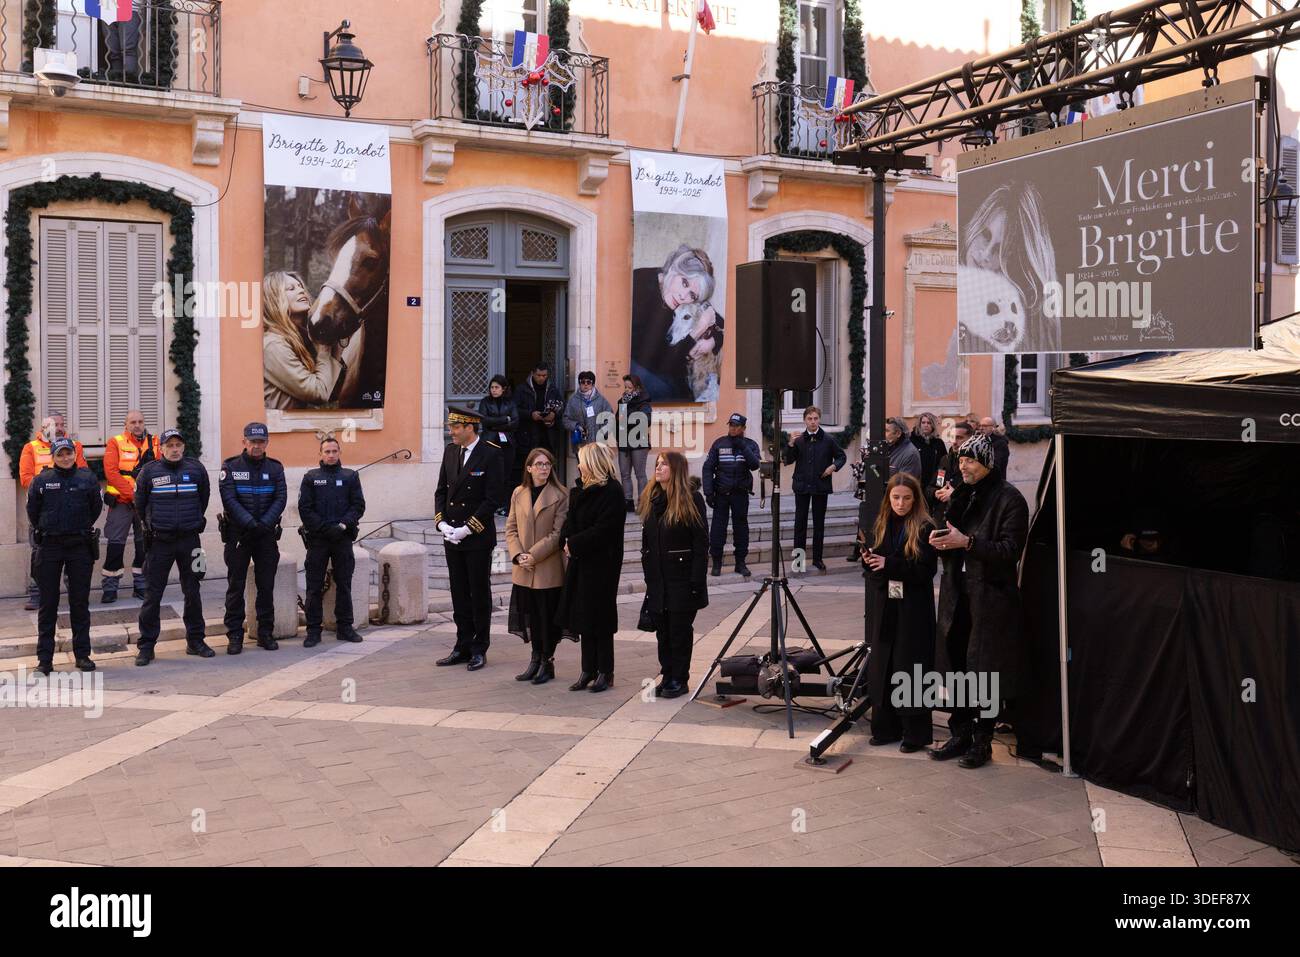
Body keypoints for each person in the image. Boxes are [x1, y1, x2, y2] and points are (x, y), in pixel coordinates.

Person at [928, 433, 1030, 769]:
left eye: (970, 460)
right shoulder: (963, 495)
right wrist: (939, 539)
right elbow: (952, 534)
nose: (963, 465)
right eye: (960, 459)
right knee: (957, 665)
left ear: (987, 463)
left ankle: (982, 740)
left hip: (991, 600)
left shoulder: (1010, 499)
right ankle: (960, 733)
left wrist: (967, 543)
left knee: (985, 670)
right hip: (958, 595)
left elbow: (1009, 551)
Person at [862, 473, 937, 752]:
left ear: (915, 499)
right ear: (888, 498)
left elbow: (925, 571)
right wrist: (870, 562)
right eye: (896, 498)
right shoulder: (882, 523)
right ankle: (885, 727)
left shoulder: (925, 527)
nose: (901, 503)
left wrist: (889, 564)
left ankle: (915, 734)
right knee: (884, 665)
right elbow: (875, 568)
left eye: (906, 498)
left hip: (913, 608)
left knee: (911, 665)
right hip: (887, 604)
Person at [434, 405, 506, 671]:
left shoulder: (490, 454)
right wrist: (441, 523)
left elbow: (493, 498)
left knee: (478, 593)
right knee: (459, 593)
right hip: (452, 536)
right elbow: (441, 491)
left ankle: (479, 647)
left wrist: (467, 528)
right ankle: (461, 644)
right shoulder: (450, 451)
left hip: (476, 537)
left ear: (469, 427)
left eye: (454, 427)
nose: (450, 431)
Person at [135, 430, 211, 665]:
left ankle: (196, 641)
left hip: (191, 541)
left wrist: (192, 521)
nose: (175, 449)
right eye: (170, 445)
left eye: (179, 444)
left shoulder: (196, 469)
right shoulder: (148, 472)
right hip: (160, 542)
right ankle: (147, 646)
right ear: (162, 448)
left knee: (193, 590)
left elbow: (204, 499)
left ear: (183, 447)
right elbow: (140, 504)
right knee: (152, 594)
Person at [27, 438, 102, 676]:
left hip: (79, 545)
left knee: (79, 602)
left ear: (74, 454)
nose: (65, 458)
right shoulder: (42, 480)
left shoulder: (87, 479)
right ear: (53, 456)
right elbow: (33, 511)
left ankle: (82, 655)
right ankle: (45, 660)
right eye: (60, 454)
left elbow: (95, 508)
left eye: (69, 453)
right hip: (50, 545)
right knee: (48, 604)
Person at [556, 443, 625, 693]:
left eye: (582, 460)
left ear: (593, 463)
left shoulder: (613, 491)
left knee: (601, 618)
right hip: (580, 562)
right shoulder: (579, 490)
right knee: (583, 615)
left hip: (603, 564)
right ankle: (587, 669)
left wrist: (574, 544)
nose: (578, 464)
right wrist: (565, 541)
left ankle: (605, 671)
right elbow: (569, 523)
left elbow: (605, 529)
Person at [640, 451, 709, 699]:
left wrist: (696, 581)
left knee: (679, 631)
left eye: (664, 465)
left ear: (676, 469)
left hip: (682, 578)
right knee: (663, 632)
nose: (658, 469)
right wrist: (647, 567)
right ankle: (667, 675)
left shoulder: (691, 499)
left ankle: (680, 679)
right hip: (659, 579)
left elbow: (701, 544)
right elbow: (647, 540)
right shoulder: (653, 498)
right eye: (657, 464)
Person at [219, 422, 288, 654]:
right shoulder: (230, 466)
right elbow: (229, 498)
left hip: (265, 535)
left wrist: (264, 524)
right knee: (235, 587)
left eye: (260, 441)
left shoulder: (276, 468)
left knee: (266, 586)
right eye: (252, 441)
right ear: (244, 442)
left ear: (266, 443)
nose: (256, 446)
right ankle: (235, 635)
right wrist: (250, 523)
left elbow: (281, 498)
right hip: (239, 535)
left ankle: (265, 633)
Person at [506, 447, 569, 684]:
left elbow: (557, 534)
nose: (544, 468)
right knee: (530, 616)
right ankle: (534, 659)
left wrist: (532, 555)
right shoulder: (518, 492)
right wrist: (518, 555)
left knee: (546, 617)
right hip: (523, 568)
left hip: (546, 567)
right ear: (529, 468)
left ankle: (547, 661)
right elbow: (511, 528)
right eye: (539, 464)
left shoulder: (560, 494)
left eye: (547, 464)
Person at [630, 244, 725, 402]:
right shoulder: (640, 283)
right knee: (674, 392)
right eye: (684, 283)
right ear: (675, 268)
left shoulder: (679, 300)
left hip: (666, 375)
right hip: (641, 372)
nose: (683, 296)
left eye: (692, 296)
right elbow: (661, 359)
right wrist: (699, 329)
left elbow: (718, 320)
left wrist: (713, 340)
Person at [298, 436, 367, 647]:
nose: (330, 455)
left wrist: (343, 525)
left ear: (339, 453)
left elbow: (358, 505)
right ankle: (313, 630)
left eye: (334, 451)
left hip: (342, 539)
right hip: (318, 540)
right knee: (314, 586)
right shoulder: (310, 477)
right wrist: (325, 528)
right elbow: (305, 509)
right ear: (320, 454)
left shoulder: (350, 476)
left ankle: (345, 627)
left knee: (344, 584)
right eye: (327, 451)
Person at [262, 271, 358, 411]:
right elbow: (318, 393)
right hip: (277, 430)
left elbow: (333, 393)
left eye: (300, 286)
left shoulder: (302, 339)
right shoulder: (273, 345)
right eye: (291, 288)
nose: (301, 290)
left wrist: (338, 345)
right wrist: (324, 349)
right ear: (274, 299)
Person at [20, 414, 87, 610]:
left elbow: (83, 474)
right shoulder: (30, 447)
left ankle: (75, 592)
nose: (58, 428)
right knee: (38, 551)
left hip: (72, 507)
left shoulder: (76, 446)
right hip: (42, 510)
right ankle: (37, 593)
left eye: (60, 424)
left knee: (74, 550)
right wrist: (51, 481)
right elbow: (25, 478)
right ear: (43, 427)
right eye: (53, 424)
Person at [100, 410, 159, 604]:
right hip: (121, 503)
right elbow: (111, 473)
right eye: (133, 422)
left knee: (144, 545)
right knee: (115, 545)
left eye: (140, 421)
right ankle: (110, 587)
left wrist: (142, 498)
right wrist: (133, 495)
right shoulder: (115, 442)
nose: (137, 425)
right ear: (126, 425)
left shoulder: (156, 442)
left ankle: (141, 585)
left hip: (147, 504)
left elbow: (160, 469)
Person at [782, 406, 846, 572]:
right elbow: (787, 460)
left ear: (819, 419)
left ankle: (818, 559)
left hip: (820, 485)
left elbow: (841, 456)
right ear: (805, 420)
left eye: (815, 418)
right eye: (809, 419)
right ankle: (799, 562)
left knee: (819, 524)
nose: (812, 422)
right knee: (800, 524)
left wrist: (833, 467)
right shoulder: (799, 440)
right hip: (802, 486)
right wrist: (789, 444)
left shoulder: (828, 439)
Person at [702, 412, 760, 578]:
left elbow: (755, 465)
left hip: (740, 494)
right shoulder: (719, 444)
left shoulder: (750, 445)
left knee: (741, 528)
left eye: (736, 426)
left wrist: (743, 447)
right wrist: (708, 492)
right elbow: (708, 468)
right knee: (718, 529)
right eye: (731, 425)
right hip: (721, 494)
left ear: (743, 428)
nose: (733, 428)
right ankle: (717, 563)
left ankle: (740, 563)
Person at [514, 362, 566, 482]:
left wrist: (553, 415)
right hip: (528, 435)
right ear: (532, 374)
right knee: (531, 466)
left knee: (548, 466)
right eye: (539, 375)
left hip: (548, 435)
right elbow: (514, 409)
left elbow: (562, 406)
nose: (542, 378)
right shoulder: (522, 389)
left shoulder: (553, 389)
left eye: (544, 375)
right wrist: (530, 414)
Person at [480, 375, 520, 513]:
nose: (494, 390)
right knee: (490, 474)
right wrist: (504, 419)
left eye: (497, 387)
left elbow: (515, 422)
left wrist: (495, 425)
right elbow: (484, 420)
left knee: (505, 474)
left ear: (503, 389)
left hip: (507, 443)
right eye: (492, 387)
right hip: (489, 441)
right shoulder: (485, 402)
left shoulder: (511, 403)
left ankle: (504, 505)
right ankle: (490, 504)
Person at [616, 374, 653, 512]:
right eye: (625, 387)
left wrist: (627, 420)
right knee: (625, 473)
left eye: (629, 387)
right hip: (624, 440)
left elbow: (646, 419)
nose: (626, 390)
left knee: (640, 474)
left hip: (638, 441)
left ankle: (643, 503)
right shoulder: (622, 401)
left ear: (636, 387)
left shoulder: (644, 400)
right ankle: (628, 501)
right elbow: (618, 420)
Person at [932, 420, 974, 526]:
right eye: (952, 437)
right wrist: (936, 492)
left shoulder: (976, 464)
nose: (954, 442)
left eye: (959, 438)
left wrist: (954, 495)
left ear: (970, 439)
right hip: (941, 519)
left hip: (964, 522)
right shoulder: (945, 460)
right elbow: (934, 485)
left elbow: (980, 496)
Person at [563, 371, 614, 452]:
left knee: (595, 464)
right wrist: (576, 426)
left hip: (597, 445)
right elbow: (565, 420)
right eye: (583, 382)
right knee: (582, 465)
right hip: (580, 445)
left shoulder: (601, 400)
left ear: (593, 384)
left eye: (588, 382)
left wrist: (603, 433)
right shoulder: (573, 400)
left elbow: (610, 419)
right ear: (579, 384)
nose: (585, 384)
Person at [910, 412, 947, 491]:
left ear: (933, 425)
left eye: (929, 423)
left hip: (933, 487)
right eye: (923, 422)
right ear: (919, 424)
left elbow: (943, 466)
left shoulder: (938, 443)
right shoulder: (912, 441)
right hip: (916, 485)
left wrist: (939, 484)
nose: (926, 425)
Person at [977, 416, 1011, 482]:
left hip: (995, 483)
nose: (981, 428)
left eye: (984, 426)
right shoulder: (980, 441)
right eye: (980, 426)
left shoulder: (1000, 443)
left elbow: (994, 465)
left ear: (993, 427)